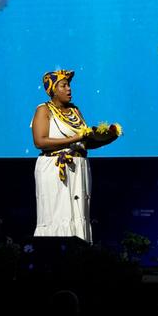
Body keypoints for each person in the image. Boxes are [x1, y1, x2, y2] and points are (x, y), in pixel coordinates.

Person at [31, 69, 93, 241]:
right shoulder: (43, 110)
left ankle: (80, 250)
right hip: (54, 168)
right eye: (63, 86)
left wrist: (106, 136)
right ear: (53, 90)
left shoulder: (75, 110)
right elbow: (39, 141)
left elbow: (84, 141)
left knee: (78, 212)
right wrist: (75, 138)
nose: (69, 89)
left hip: (78, 168)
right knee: (57, 213)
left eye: (69, 85)